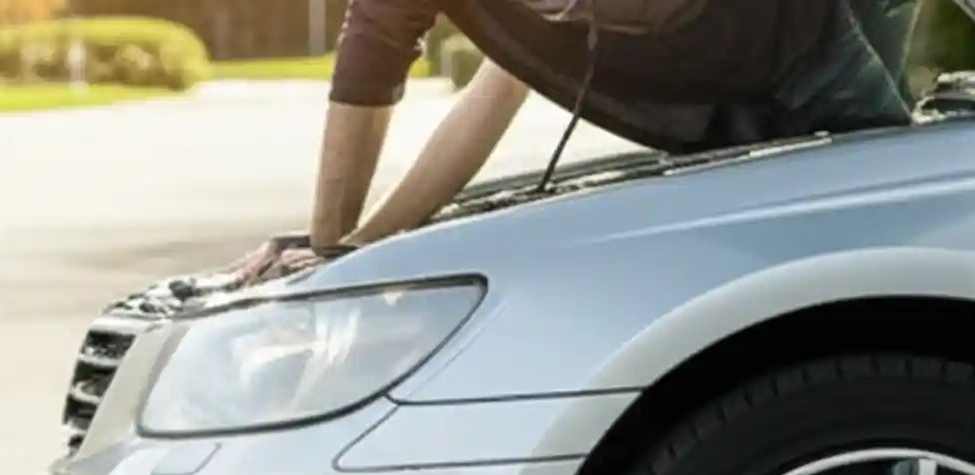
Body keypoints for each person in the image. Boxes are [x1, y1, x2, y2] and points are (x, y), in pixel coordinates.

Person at [230, 0, 922, 284]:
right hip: (703, 118)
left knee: (896, 268)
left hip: (815, 59)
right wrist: (338, 251)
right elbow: (489, 89)